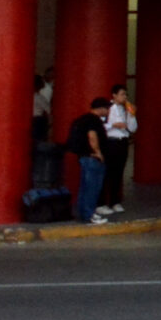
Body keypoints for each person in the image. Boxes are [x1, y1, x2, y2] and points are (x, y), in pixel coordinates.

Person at [63, 96, 108, 223]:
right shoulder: (94, 120)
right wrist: (98, 152)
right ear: (100, 109)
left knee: (85, 187)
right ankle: (89, 215)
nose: (108, 111)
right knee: (92, 188)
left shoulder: (81, 119)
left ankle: (84, 213)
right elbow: (92, 136)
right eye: (106, 108)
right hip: (92, 158)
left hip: (83, 157)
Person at [100, 84, 134, 214]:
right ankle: (103, 202)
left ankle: (115, 201)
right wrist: (114, 125)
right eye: (122, 94)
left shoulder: (126, 109)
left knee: (118, 173)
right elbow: (101, 125)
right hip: (111, 142)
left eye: (125, 94)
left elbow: (132, 128)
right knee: (107, 172)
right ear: (114, 95)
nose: (124, 97)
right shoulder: (108, 108)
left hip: (123, 141)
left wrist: (132, 116)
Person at [29, 69, 52, 150]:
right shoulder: (39, 97)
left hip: (31, 120)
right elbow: (49, 110)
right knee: (39, 143)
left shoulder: (28, 96)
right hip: (38, 121)